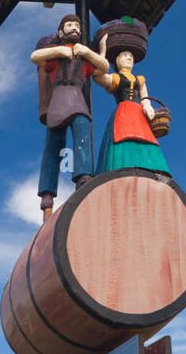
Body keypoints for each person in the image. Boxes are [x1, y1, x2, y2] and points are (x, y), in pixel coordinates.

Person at [31, 15, 109, 222]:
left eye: (76, 25)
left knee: (82, 127)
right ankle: (47, 193)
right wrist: (59, 50)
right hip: (58, 99)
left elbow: (103, 68)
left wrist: (89, 52)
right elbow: (35, 57)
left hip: (76, 99)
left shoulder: (82, 56)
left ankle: (83, 176)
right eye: (69, 25)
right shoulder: (56, 54)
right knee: (52, 145)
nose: (74, 28)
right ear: (61, 31)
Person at [93, 36, 170, 176]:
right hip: (123, 113)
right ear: (117, 61)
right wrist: (102, 52)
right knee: (124, 137)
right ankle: (123, 167)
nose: (129, 58)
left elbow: (145, 98)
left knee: (145, 138)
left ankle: (153, 168)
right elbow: (98, 76)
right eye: (124, 56)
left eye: (131, 56)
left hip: (138, 113)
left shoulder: (140, 79)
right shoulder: (116, 78)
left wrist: (148, 107)